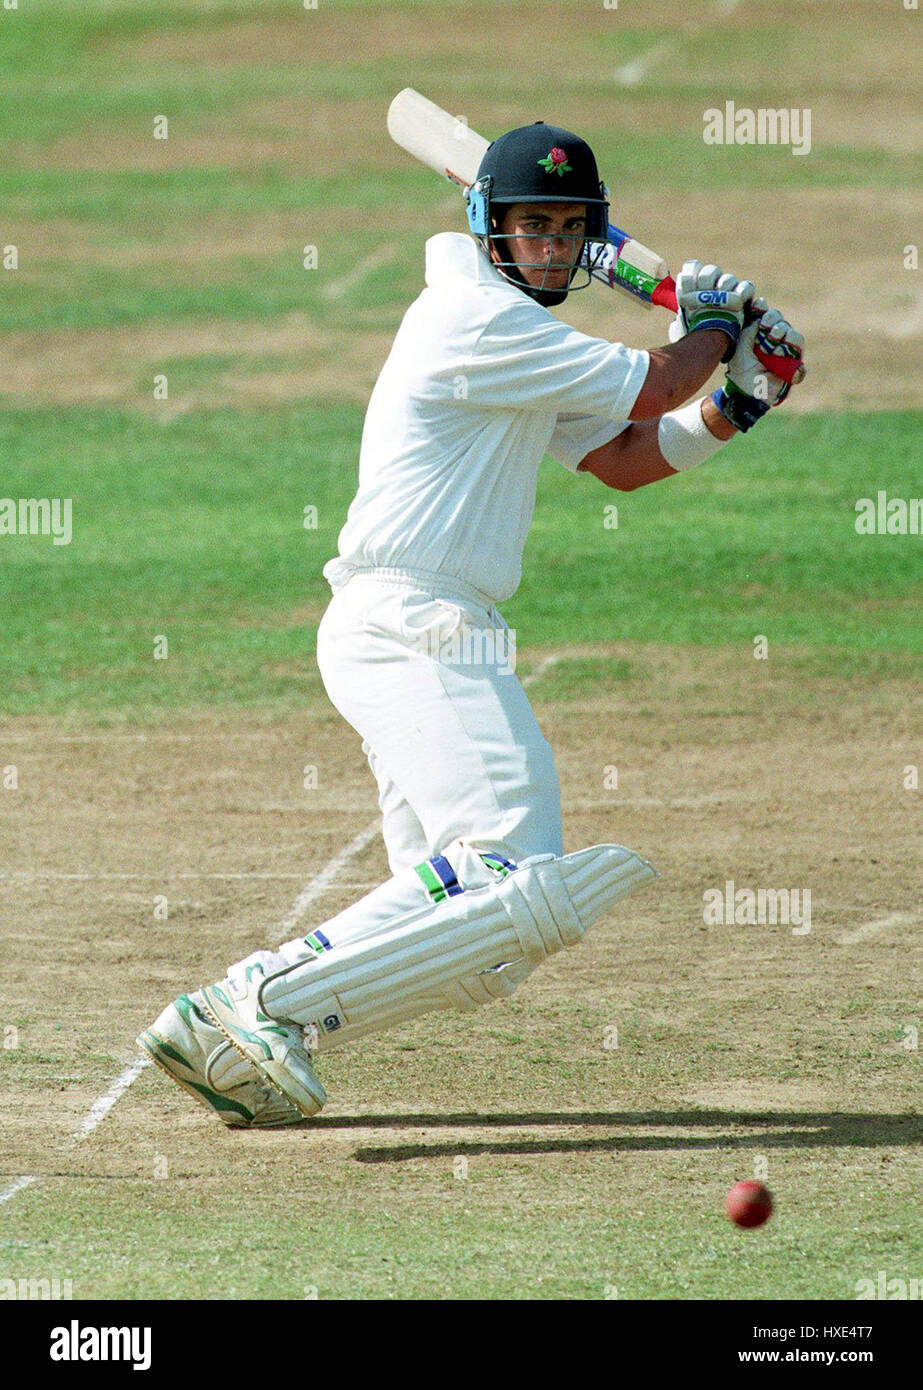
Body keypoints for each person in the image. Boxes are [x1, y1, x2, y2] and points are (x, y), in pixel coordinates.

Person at [139, 121, 804, 1125]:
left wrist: (739, 402)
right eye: (525, 225)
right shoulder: (474, 316)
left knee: (480, 937)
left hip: (418, 625)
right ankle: (255, 997)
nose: (543, 245)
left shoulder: (521, 337)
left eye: (564, 229)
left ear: (591, 241)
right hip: (413, 620)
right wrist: (713, 323)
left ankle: (249, 1033)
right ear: (485, 227)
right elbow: (660, 378)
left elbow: (625, 453)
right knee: (504, 869)